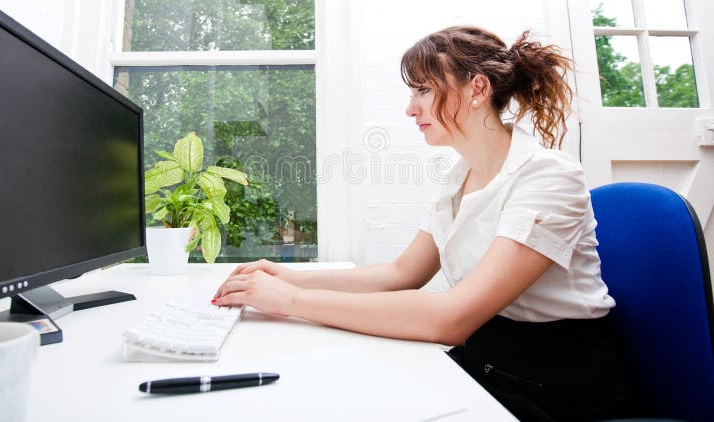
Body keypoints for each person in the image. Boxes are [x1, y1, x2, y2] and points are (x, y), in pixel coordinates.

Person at [213, 26, 637, 421]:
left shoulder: (548, 177)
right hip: (488, 361)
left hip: (559, 386)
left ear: (478, 88)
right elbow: (401, 274)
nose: (409, 108)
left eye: (422, 90)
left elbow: (450, 318)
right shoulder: (457, 179)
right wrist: (288, 278)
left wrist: (288, 301)